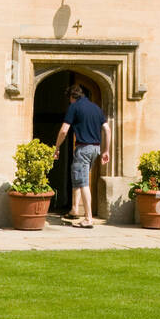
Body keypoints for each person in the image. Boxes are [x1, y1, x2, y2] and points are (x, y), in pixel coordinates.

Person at [54, 83, 110, 227]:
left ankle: (88, 219)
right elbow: (107, 129)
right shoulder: (96, 108)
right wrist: (106, 150)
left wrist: (57, 147)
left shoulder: (74, 106)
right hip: (96, 149)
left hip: (83, 149)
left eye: (70, 99)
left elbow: (64, 130)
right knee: (79, 177)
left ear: (72, 97)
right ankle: (74, 209)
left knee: (83, 182)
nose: (70, 102)